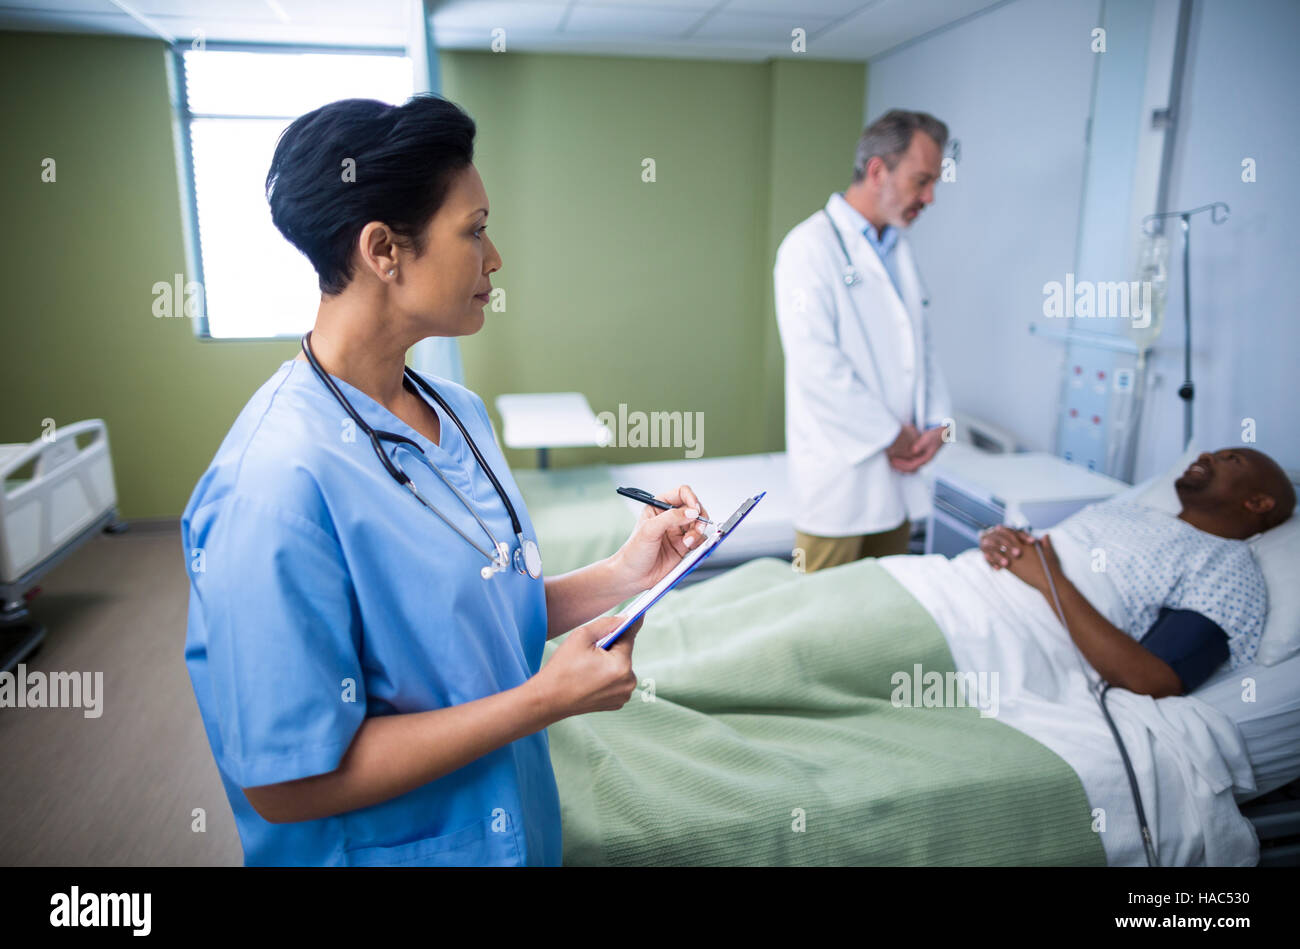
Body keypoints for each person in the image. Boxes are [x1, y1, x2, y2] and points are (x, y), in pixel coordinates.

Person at [181, 94, 711, 866]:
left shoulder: (454, 412)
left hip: (510, 822)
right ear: (384, 251)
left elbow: (477, 617)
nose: (494, 259)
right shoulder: (273, 487)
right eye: (475, 230)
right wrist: (543, 701)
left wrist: (625, 572)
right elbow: (286, 785)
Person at [774, 109, 953, 572]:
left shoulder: (900, 249)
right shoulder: (808, 248)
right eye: (921, 181)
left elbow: (921, 351)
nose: (930, 197)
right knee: (820, 623)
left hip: (898, 482)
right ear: (878, 171)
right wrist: (890, 436)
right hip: (840, 487)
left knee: (880, 617)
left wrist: (937, 424)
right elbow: (816, 365)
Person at [977, 447, 1292, 697]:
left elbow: (1153, 680)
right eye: (1210, 452)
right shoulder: (1129, 511)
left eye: (1231, 459)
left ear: (1259, 502)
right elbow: (1042, 548)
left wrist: (1050, 581)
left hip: (1010, 627)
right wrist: (1002, 540)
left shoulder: (1228, 571)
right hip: (969, 583)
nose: (1206, 456)